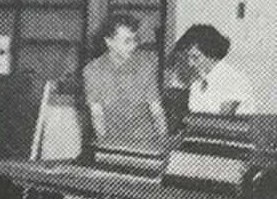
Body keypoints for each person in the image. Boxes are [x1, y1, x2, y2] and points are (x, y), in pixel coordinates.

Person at [82, 13, 167, 151]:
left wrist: (164, 142)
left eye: (135, 40)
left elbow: (156, 110)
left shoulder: (146, 66)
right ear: (109, 42)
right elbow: (97, 115)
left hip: (145, 143)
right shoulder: (92, 71)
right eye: (127, 41)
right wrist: (105, 147)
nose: (133, 46)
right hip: (112, 143)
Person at [174, 24, 255, 116]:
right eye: (189, 57)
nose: (190, 63)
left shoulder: (233, 79)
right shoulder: (197, 83)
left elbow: (222, 122)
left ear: (211, 55)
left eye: (195, 57)